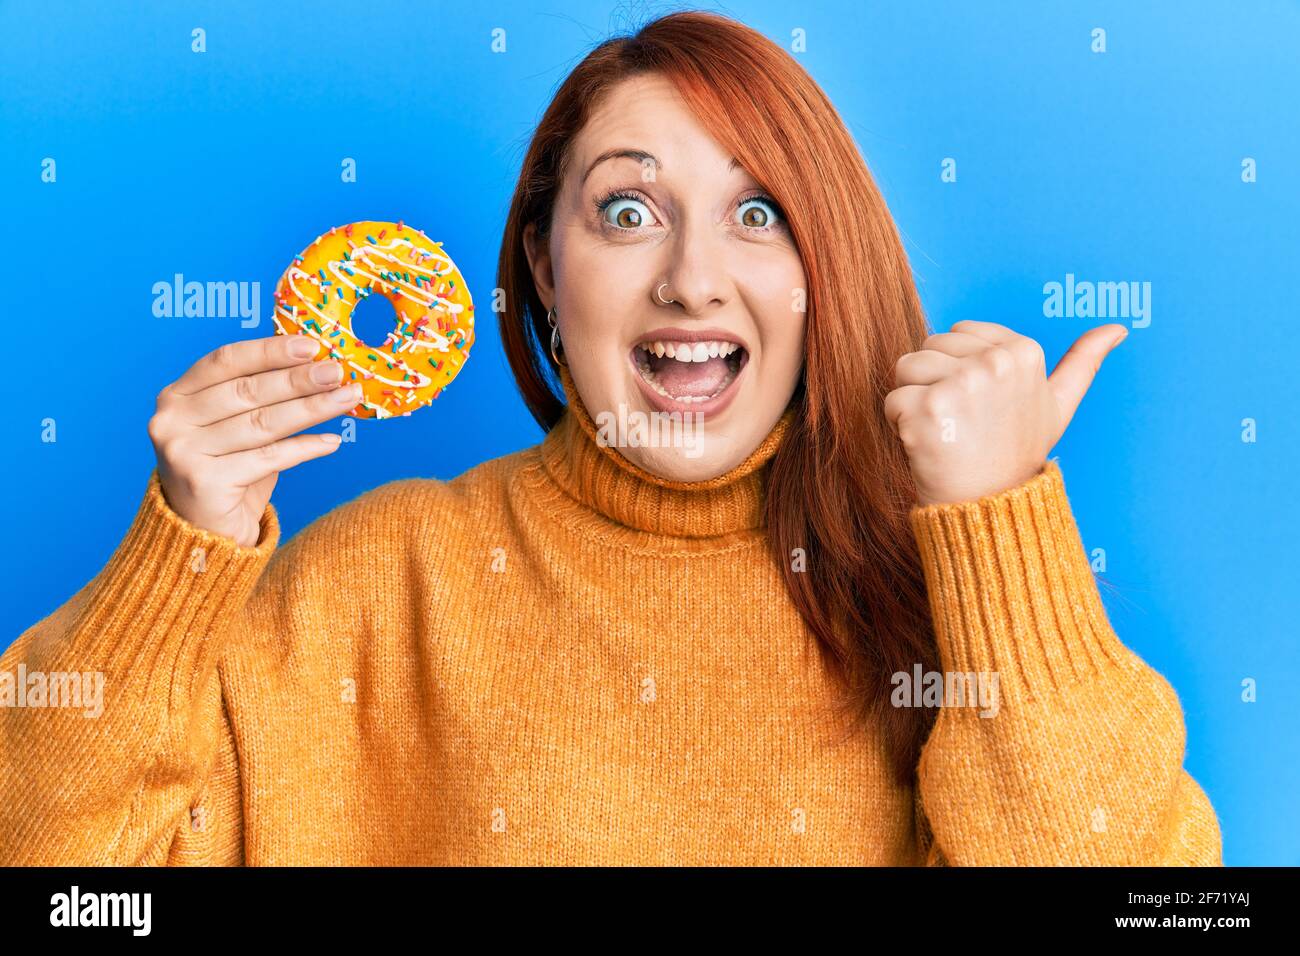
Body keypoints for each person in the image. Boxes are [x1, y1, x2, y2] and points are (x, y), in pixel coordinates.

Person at [0, 10, 1221, 865]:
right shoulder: (378, 582)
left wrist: (1002, 534)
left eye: (758, 213)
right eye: (627, 209)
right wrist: (175, 562)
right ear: (542, 262)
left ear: (822, 266)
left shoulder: (934, 590)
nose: (692, 278)